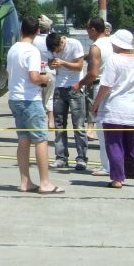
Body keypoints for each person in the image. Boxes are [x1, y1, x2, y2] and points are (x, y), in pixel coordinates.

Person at [6, 16, 64, 194]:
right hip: (30, 99)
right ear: (37, 31)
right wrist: (46, 77)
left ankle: (25, 181)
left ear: (21, 30)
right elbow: (34, 77)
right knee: (41, 139)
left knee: (23, 139)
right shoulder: (32, 51)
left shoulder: (13, 49)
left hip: (15, 98)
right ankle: (44, 183)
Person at [92, 29, 134, 189]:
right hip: (133, 111)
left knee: (114, 144)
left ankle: (118, 178)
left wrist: (95, 104)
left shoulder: (114, 60)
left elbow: (106, 86)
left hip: (114, 109)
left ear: (117, 43)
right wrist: (132, 95)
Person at [75, 17, 113, 176]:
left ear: (93, 29)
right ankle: (114, 163)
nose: (87, 32)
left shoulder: (95, 47)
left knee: (102, 130)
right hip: (113, 86)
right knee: (112, 127)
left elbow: (92, 73)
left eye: (87, 28)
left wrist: (80, 84)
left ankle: (107, 166)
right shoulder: (112, 43)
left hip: (100, 86)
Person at [46, 31, 88, 172]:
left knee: (79, 125)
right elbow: (50, 66)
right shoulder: (52, 49)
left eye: (57, 50)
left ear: (61, 42)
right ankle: (61, 157)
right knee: (59, 125)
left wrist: (63, 62)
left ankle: (81, 158)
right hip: (59, 87)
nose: (56, 53)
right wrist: (52, 64)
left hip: (74, 86)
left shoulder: (74, 44)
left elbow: (79, 66)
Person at [32, 15, 55, 131]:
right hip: (51, 70)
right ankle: (50, 121)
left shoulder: (34, 40)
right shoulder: (52, 39)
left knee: (38, 97)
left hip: (37, 71)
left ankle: (40, 121)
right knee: (50, 97)